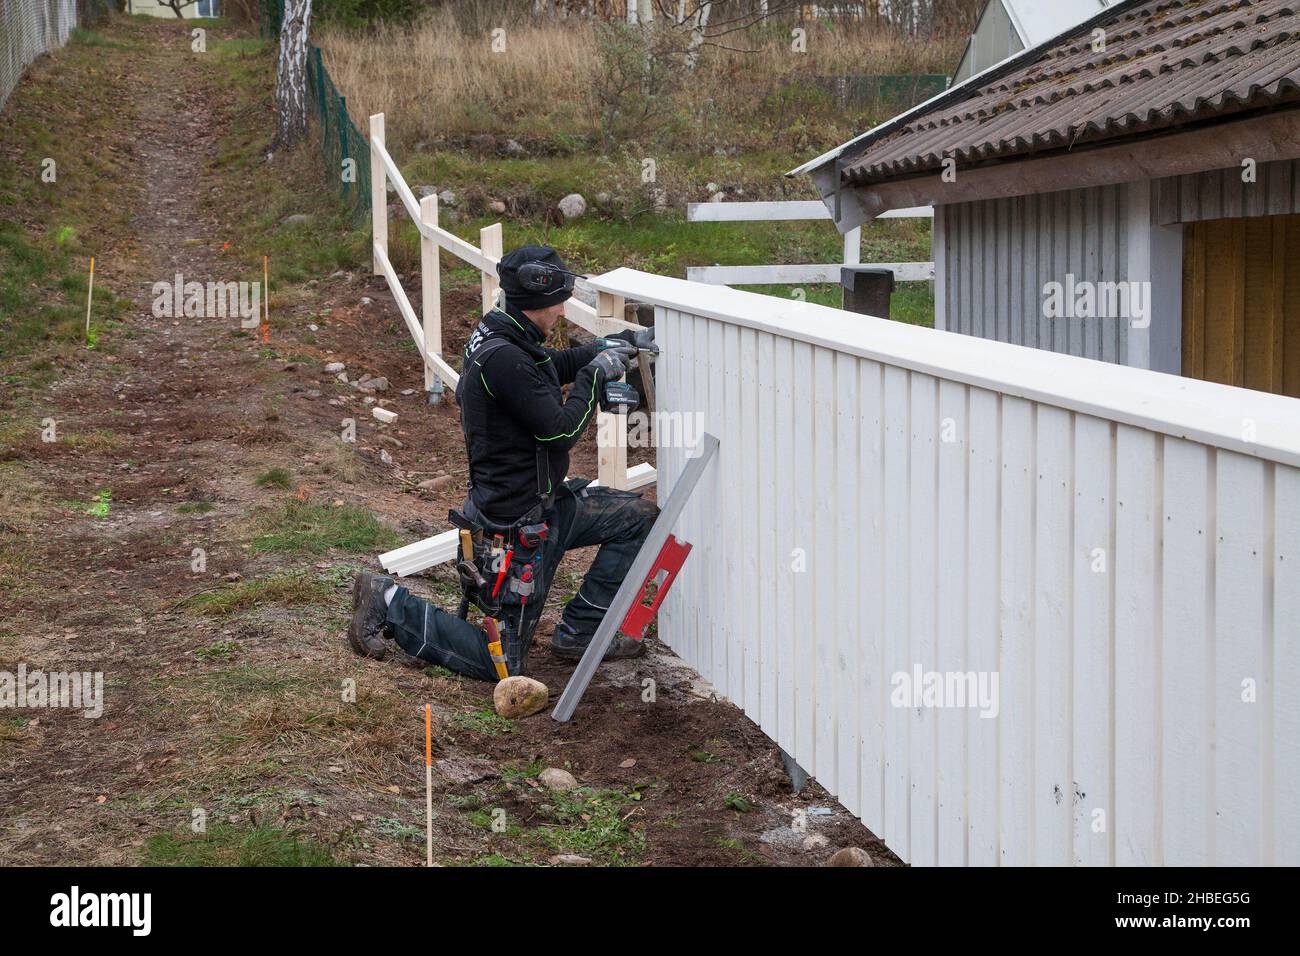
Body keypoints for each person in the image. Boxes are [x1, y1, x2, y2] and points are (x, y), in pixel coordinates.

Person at [345, 245, 659, 682]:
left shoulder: (506, 337)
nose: (563, 309)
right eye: (559, 301)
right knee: (503, 665)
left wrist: (610, 346)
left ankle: (581, 633)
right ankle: (390, 602)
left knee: (636, 518)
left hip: (544, 504)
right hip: (513, 526)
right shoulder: (505, 357)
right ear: (537, 305)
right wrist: (595, 376)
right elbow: (559, 430)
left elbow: (550, 365)